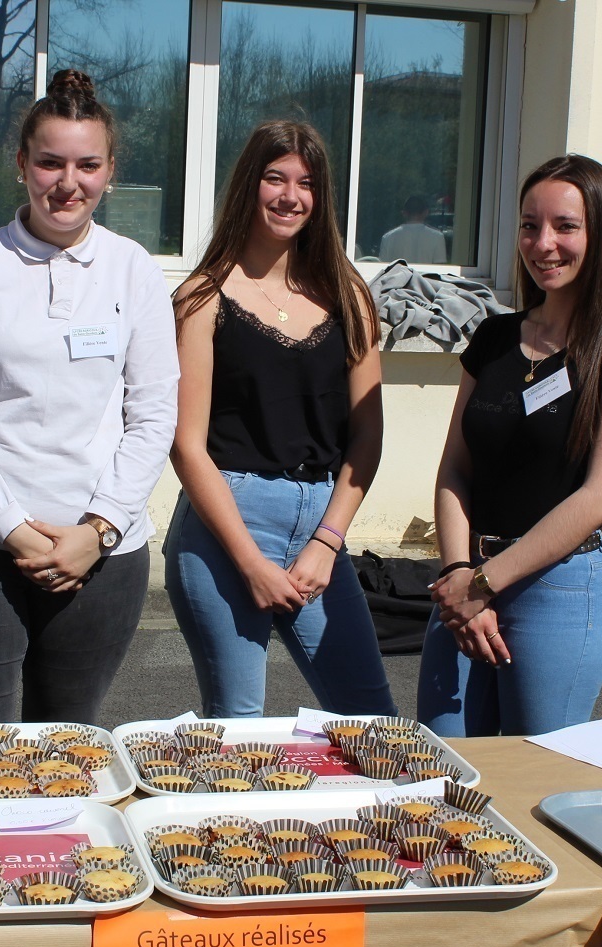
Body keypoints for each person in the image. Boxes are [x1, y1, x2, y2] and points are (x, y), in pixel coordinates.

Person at [0, 69, 178, 725]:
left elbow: (153, 417)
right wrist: (14, 530)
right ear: (22, 163)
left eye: (87, 165)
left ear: (110, 171)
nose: (68, 182)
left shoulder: (133, 269)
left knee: (68, 751)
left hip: (102, 559)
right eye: (50, 162)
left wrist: (98, 529)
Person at [416, 154, 602, 737]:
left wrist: (486, 583)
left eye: (565, 226)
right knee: (441, 769)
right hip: (465, 581)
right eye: (530, 225)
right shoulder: (495, 337)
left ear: (601, 234)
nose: (544, 243)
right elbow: (455, 467)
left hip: (557, 589)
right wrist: (459, 574)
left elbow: (599, 498)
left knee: (532, 783)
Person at [164, 120, 398, 719]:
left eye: (306, 182)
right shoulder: (202, 298)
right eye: (275, 178)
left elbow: (366, 436)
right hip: (226, 530)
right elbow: (187, 447)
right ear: (250, 184)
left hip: (320, 525)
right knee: (238, 730)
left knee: (371, 723)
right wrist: (251, 563)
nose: (290, 196)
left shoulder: (348, 294)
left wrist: (327, 542)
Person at [378, 194, 447, 264]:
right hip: (424, 275)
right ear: (426, 212)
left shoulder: (388, 238)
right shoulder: (437, 237)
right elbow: (440, 268)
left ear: (404, 213)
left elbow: (383, 268)